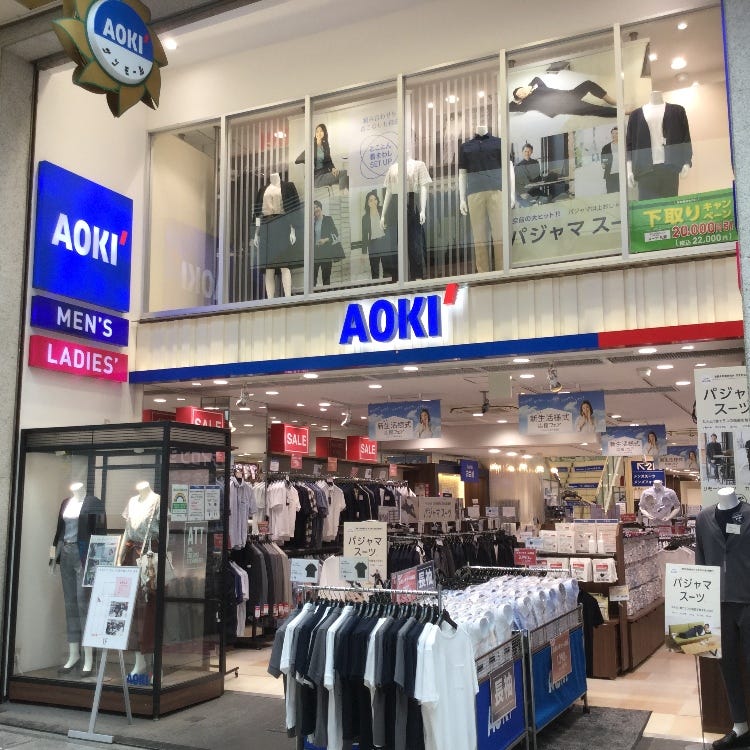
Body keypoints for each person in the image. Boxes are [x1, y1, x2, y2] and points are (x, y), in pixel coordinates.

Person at [695, 487, 750, 750]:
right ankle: (740, 725)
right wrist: (697, 607)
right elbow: (701, 560)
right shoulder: (703, 519)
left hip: (748, 603)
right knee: (726, 666)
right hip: (716, 606)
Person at [51, 481, 106, 677]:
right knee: (70, 604)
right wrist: (52, 557)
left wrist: (98, 562)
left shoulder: (94, 503)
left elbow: (100, 532)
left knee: (83, 604)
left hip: (84, 555)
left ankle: (88, 656)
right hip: (65, 552)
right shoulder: (66, 502)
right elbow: (59, 531)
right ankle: (74, 654)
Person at [119, 480, 161, 677]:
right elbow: (127, 530)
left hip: (150, 556)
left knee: (150, 607)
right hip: (131, 555)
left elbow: (164, 532)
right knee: (133, 608)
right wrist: (119, 556)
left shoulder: (158, 501)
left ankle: (153, 660)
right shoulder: (132, 502)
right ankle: (139, 660)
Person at [626, 91, 692, 200]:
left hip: (670, 168)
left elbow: (686, 138)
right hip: (645, 170)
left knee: (669, 205)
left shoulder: (677, 111)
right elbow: (630, 146)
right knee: (648, 207)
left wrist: (687, 162)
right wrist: (629, 171)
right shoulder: (635, 115)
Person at [509, 76, 616, 118]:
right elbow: (510, 107)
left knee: (588, 84)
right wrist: (517, 99)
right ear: (520, 98)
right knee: (595, 109)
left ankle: (610, 100)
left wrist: (529, 86)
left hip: (569, 94)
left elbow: (536, 79)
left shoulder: (539, 88)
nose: (522, 93)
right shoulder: (527, 103)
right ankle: (620, 112)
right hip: (564, 106)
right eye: (519, 94)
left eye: (521, 90)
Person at [361, 190, 396, 281]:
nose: (373, 202)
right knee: (375, 271)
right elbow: (364, 235)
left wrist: (386, 225)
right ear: (367, 203)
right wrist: (363, 252)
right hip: (373, 245)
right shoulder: (365, 218)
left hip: (384, 243)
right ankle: (376, 287)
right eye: (370, 200)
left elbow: (391, 222)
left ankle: (388, 287)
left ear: (377, 200)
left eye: (375, 199)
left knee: (387, 270)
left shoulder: (383, 211)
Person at [307, 123, 349, 191]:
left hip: (325, 174)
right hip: (317, 178)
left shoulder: (325, 145)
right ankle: (342, 195)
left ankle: (347, 196)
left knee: (346, 177)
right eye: (317, 131)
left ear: (324, 133)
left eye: (321, 131)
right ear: (315, 134)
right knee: (344, 173)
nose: (319, 133)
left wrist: (333, 168)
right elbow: (299, 160)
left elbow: (329, 161)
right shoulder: (311, 147)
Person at [313, 200, 344, 286]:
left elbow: (335, 234)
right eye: (313, 208)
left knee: (326, 278)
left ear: (320, 207)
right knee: (312, 278)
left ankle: (326, 293)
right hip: (315, 253)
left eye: (317, 207)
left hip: (326, 252)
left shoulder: (328, 219)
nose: (316, 209)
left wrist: (325, 240)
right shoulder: (312, 222)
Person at [601, 126, 620, 193]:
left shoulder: (624, 145)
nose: (614, 135)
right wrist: (604, 163)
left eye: (616, 133)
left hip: (621, 174)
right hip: (610, 175)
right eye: (613, 133)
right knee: (610, 194)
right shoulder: (606, 147)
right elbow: (603, 163)